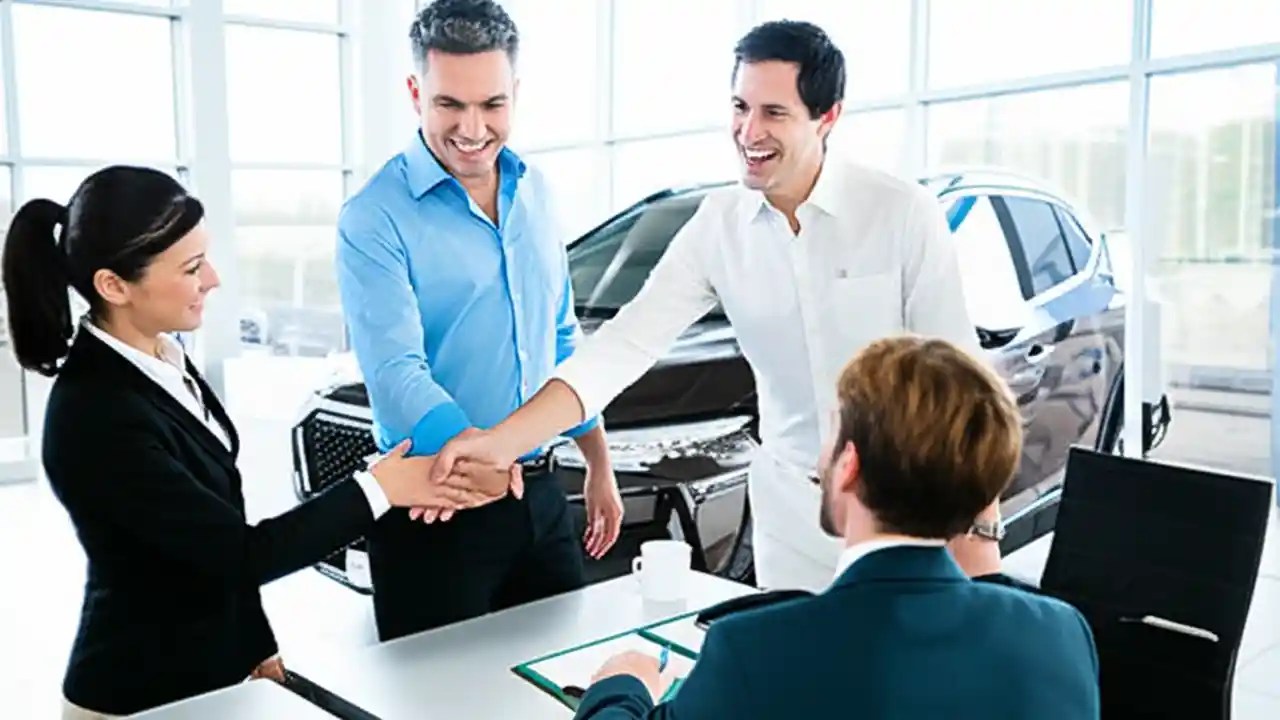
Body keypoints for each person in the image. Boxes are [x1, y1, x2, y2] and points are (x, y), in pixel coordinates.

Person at [431, 20, 981, 591]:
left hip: (904, 513)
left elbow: (964, 391)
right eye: (740, 106)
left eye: (774, 113)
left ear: (827, 118)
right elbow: (621, 348)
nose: (748, 131)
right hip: (791, 516)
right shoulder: (719, 227)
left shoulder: (901, 214)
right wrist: (501, 442)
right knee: (793, 674)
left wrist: (979, 546)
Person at [0, 166, 514, 718]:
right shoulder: (93, 414)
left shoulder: (161, 358)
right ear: (114, 286)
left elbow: (206, 530)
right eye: (192, 267)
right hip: (141, 696)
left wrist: (255, 644)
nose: (214, 279)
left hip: (213, 678)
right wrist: (380, 488)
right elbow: (237, 554)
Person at [571, 336, 1101, 720]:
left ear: (848, 465)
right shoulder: (1059, 634)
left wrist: (623, 684)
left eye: (831, 435)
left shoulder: (755, 650)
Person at [335, 0, 623, 643]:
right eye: (449, 105)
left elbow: (559, 337)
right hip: (435, 510)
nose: (472, 128)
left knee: (560, 691)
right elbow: (395, 375)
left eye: (492, 105)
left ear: (515, 94)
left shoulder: (537, 191)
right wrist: (489, 460)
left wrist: (598, 461)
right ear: (416, 93)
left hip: (542, 497)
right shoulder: (373, 218)